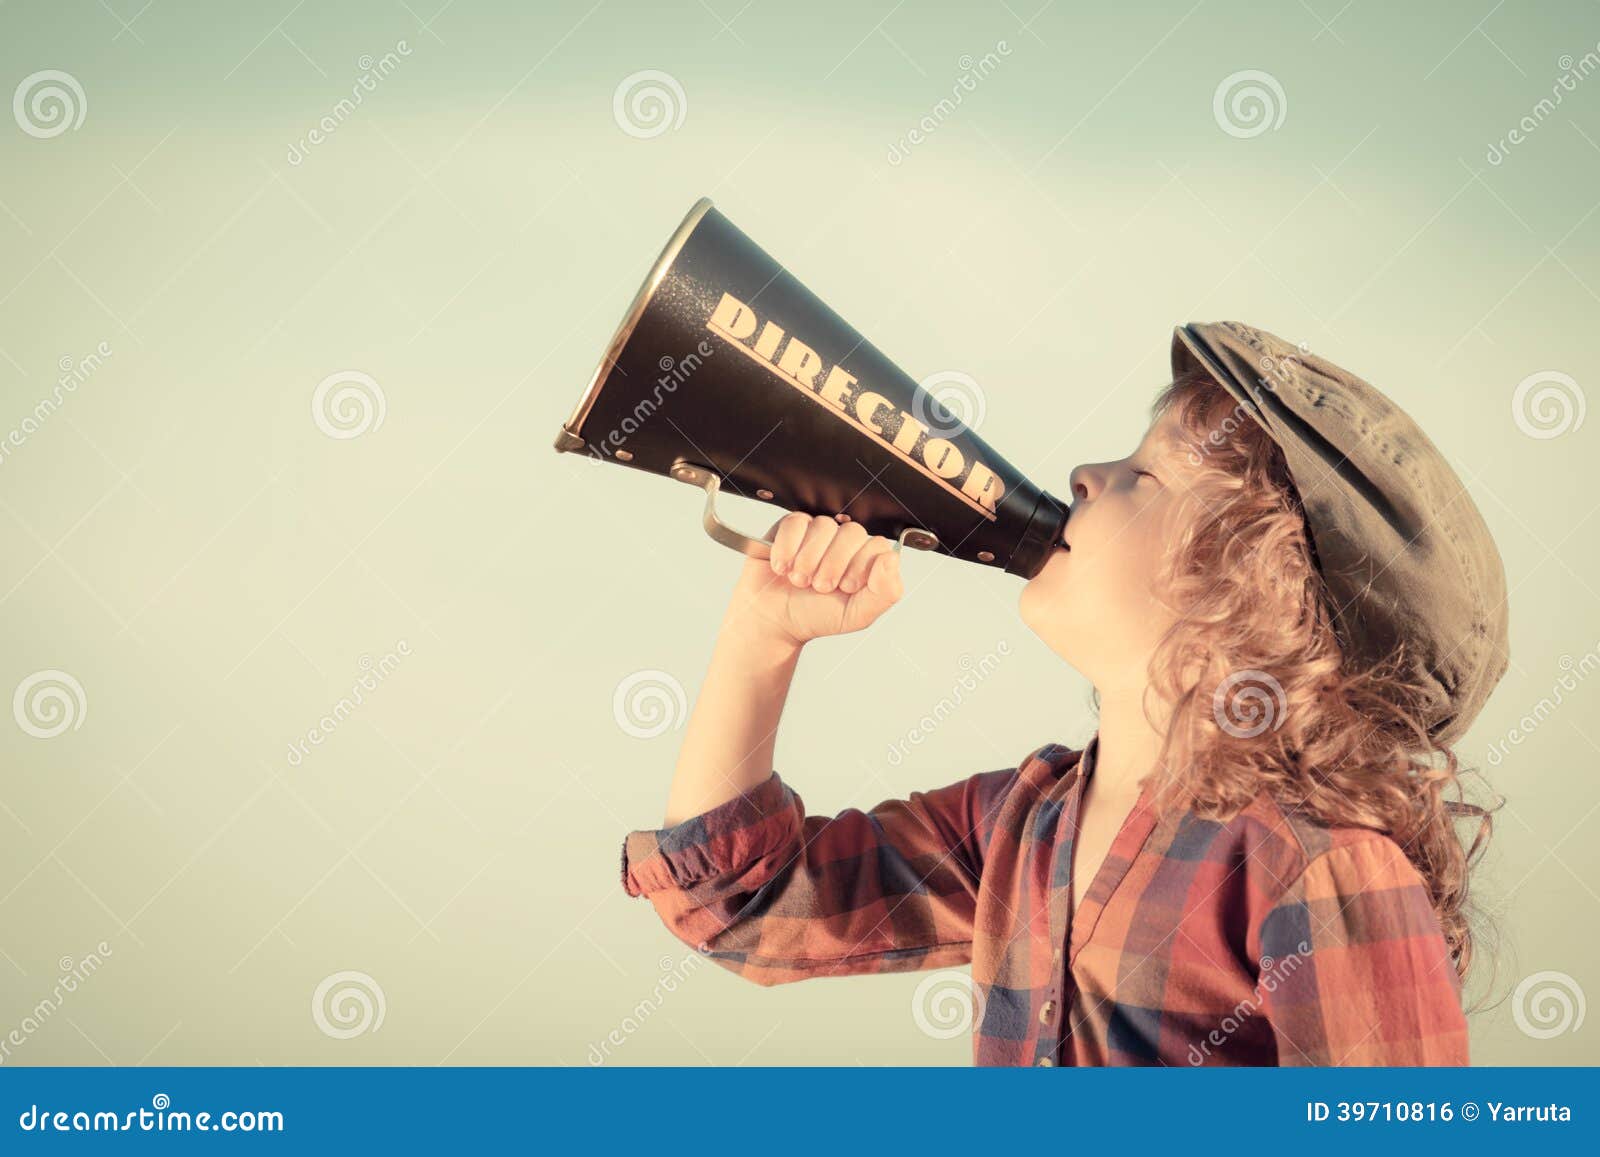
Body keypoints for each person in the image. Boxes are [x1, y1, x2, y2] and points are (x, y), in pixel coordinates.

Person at [618, 321, 1509, 1066]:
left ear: (1248, 585)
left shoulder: (1318, 864)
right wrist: (763, 635)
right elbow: (744, 908)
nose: (1086, 472)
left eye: (1143, 475)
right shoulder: (1023, 823)